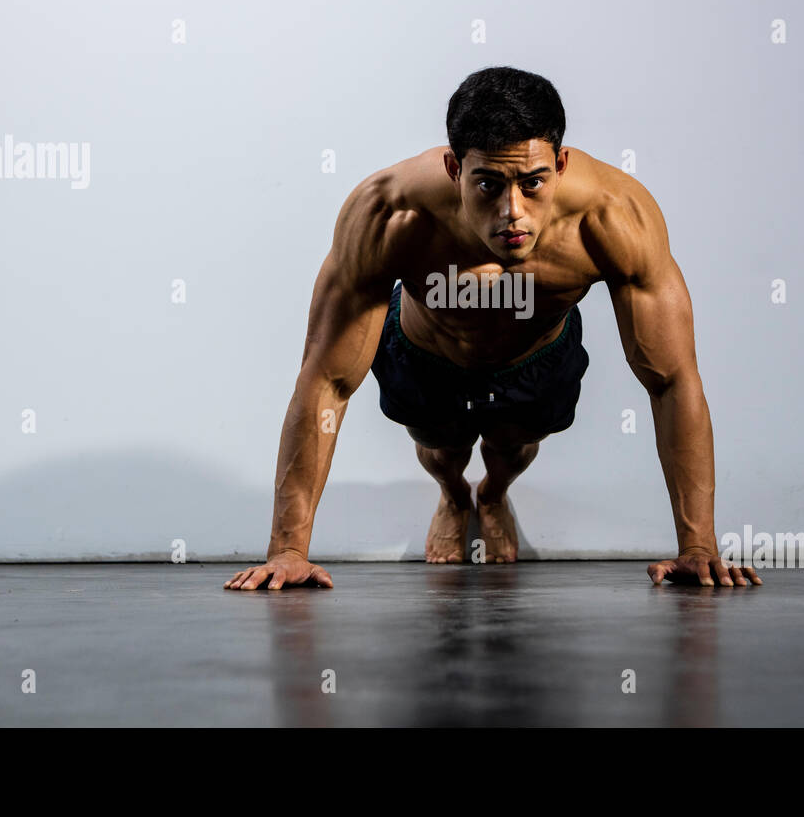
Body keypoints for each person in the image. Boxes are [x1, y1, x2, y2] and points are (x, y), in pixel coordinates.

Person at [225, 67, 761, 590]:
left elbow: (671, 379)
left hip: (537, 358)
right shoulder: (391, 213)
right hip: (425, 353)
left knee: (512, 447)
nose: (513, 212)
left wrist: (698, 547)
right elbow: (326, 381)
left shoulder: (613, 218)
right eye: (488, 184)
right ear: (455, 168)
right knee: (441, 448)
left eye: (533, 183)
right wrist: (289, 551)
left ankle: (493, 494)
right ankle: (454, 494)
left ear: (562, 163)